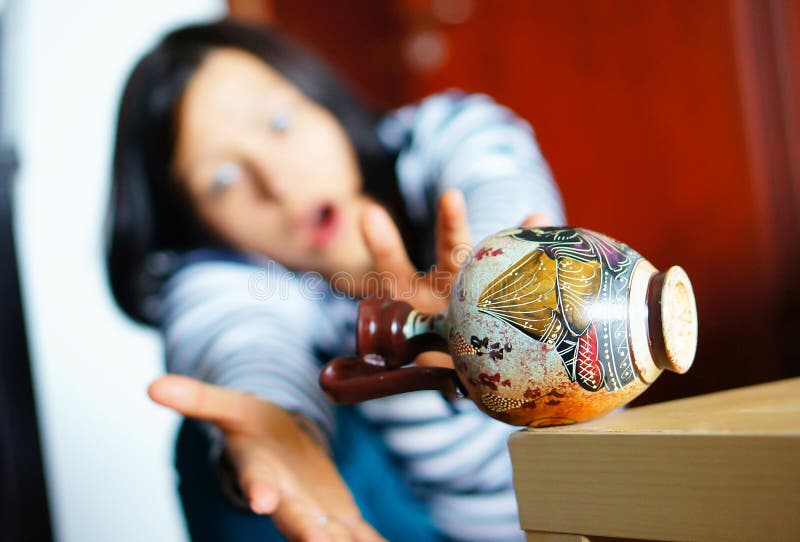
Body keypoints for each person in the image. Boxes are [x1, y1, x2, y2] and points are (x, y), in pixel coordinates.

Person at [105, 19, 564, 542]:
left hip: (606, 491)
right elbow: (237, 340)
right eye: (222, 180)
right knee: (231, 435)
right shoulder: (234, 276)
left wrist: (478, 298)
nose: (278, 183)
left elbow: (499, 185)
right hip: (435, 529)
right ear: (200, 223)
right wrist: (283, 430)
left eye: (279, 122)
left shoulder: (442, 135)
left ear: (318, 99)